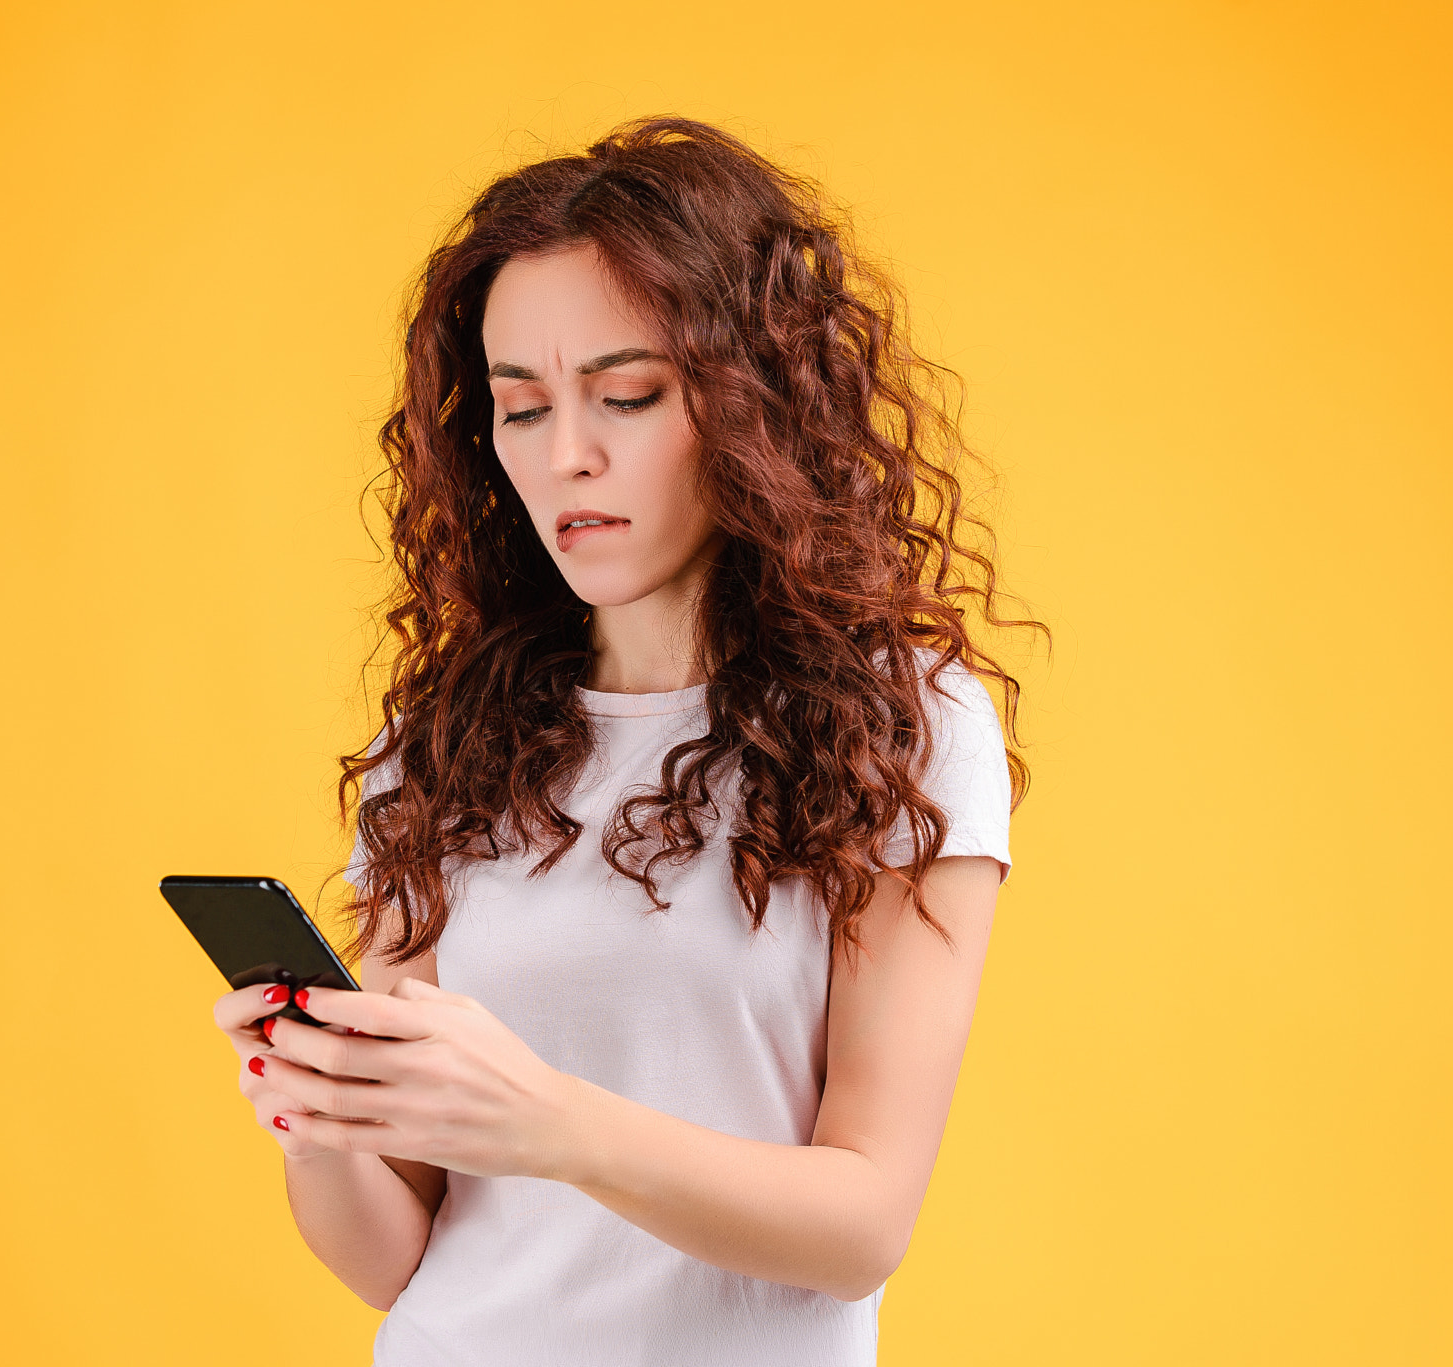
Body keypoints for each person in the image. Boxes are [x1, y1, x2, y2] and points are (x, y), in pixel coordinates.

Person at [211, 116, 1042, 1366]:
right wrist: (322, 1118)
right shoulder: (446, 739)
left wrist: (541, 1117)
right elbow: (389, 1257)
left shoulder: (902, 728)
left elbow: (863, 1219)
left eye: (627, 394)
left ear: (749, 398)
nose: (569, 456)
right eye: (522, 408)